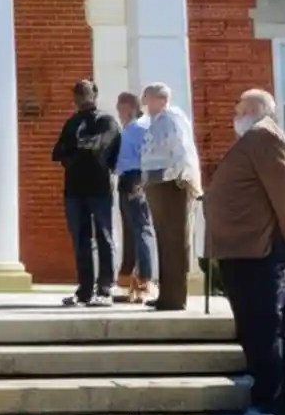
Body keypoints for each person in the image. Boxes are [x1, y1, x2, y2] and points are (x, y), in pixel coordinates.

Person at [206, 89, 285, 415]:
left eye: (243, 109)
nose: (237, 114)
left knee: (265, 327)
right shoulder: (252, 140)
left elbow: (284, 188)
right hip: (241, 250)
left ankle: (269, 408)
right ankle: (284, 407)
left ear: (260, 111)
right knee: (258, 327)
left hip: (259, 249)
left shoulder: (264, 137)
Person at [51, 79, 120, 308]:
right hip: (74, 189)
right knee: (80, 239)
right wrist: (81, 148)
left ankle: (105, 288)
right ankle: (84, 290)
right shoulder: (71, 123)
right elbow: (58, 151)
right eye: (78, 93)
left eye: (85, 91)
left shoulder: (106, 121)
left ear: (95, 94)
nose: (81, 96)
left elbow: (101, 145)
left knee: (104, 236)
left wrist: (77, 149)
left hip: (98, 187)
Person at [140, 82, 202, 312]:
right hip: (158, 184)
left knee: (174, 242)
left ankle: (175, 298)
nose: (145, 103)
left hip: (172, 186)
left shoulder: (172, 118)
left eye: (148, 98)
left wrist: (182, 179)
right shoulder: (155, 122)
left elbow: (181, 151)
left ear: (160, 99)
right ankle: (166, 294)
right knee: (164, 241)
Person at [112, 92, 156, 304]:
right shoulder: (129, 128)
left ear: (129, 107)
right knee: (129, 231)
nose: (118, 113)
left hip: (135, 178)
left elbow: (146, 155)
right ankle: (128, 282)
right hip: (124, 179)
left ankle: (145, 279)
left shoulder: (140, 127)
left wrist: (141, 183)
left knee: (140, 229)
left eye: (120, 109)